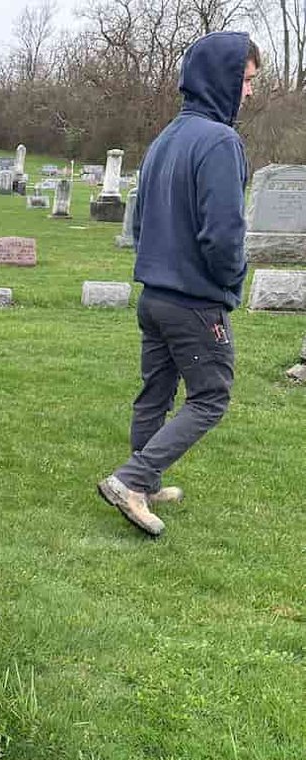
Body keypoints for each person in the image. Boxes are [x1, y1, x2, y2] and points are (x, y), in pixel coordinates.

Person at [98, 31, 260, 537]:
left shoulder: (166, 137)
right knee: (211, 396)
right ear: (225, 78)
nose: (250, 92)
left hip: (155, 297)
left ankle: (144, 482)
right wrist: (232, 280)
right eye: (247, 80)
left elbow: (139, 223)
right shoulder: (219, 141)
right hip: (194, 301)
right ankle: (133, 478)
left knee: (156, 392)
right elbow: (224, 234)